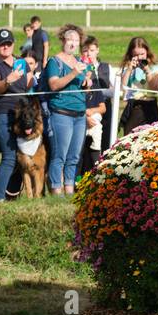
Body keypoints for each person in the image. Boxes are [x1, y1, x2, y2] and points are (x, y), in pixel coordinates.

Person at [0, 28, 34, 202]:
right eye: (1, 44)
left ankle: (12, 196)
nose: (5, 47)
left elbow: (28, 86)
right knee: (9, 157)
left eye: (8, 44)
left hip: (24, 116)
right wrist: (7, 80)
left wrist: (33, 74)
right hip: (4, 114)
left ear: (13, 44)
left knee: (22, 157)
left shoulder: (22, 63)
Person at [43, 23, 91, 196]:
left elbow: (80, 88)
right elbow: (54, 84)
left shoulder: (79, 62)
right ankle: (56, 190)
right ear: (63, 40)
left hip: (79, 114)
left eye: (76, 40)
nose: (73, 43)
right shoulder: (55, 62)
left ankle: (70, 191)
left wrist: (86, 83)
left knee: (74, 157)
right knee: (59, 156)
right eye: (70, 39)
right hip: (61, 114)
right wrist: (73, 73)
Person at [77, 35, 113, 178]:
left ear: (97, 50)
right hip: (84, 109)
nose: (88, 53)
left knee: (103, 143)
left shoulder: (106, 67)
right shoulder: (79, 68)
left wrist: (98, 91)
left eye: (91, 50)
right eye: (85, 51)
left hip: (103, 107)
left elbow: (114, 90)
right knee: (84, 145)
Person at [118, 37, 158, 134]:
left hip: (150, 106)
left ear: (147, 52)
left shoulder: (155, 67)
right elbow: (123, 86)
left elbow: (153, 88)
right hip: (134, 106)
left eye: (142, 54)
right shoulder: (129, 68)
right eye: (136, 55)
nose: (139, 57)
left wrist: (147, 71)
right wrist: (129, 69)